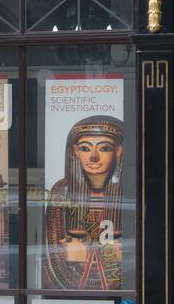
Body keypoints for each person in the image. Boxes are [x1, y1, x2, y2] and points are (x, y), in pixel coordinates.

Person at [42, 114, 124, 290]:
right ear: (75, 151)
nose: (93, 157)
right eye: (86, 148)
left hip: (118, 285)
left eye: (104, 148)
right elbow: (53, 249)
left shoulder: (130, 190)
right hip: (70, 279)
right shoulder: (62, 191)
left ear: (119, 151)